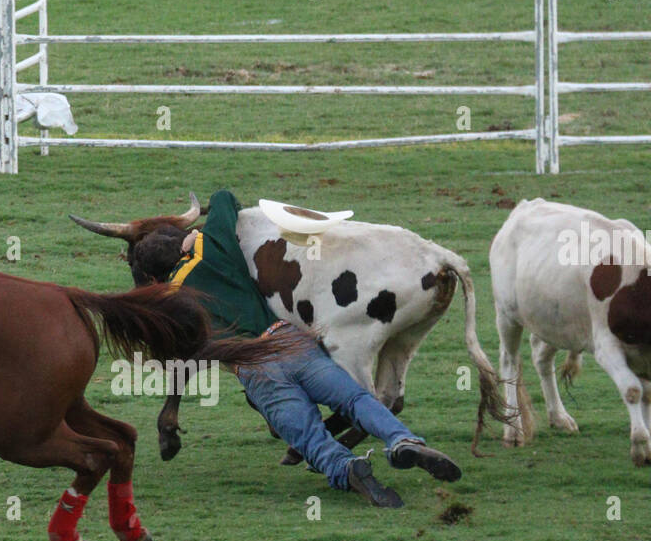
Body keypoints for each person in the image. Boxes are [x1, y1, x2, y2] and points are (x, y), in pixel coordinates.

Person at [157, 189, 463, 508]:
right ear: (180, 251)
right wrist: (195, 239)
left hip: (253, 367)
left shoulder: (169, 305)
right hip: (289, 341)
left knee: (308, 435)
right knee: (355, 399)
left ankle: (347, 469)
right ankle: (401, 440)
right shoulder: (212, 253)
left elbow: (178, 356)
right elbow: (223, 197)